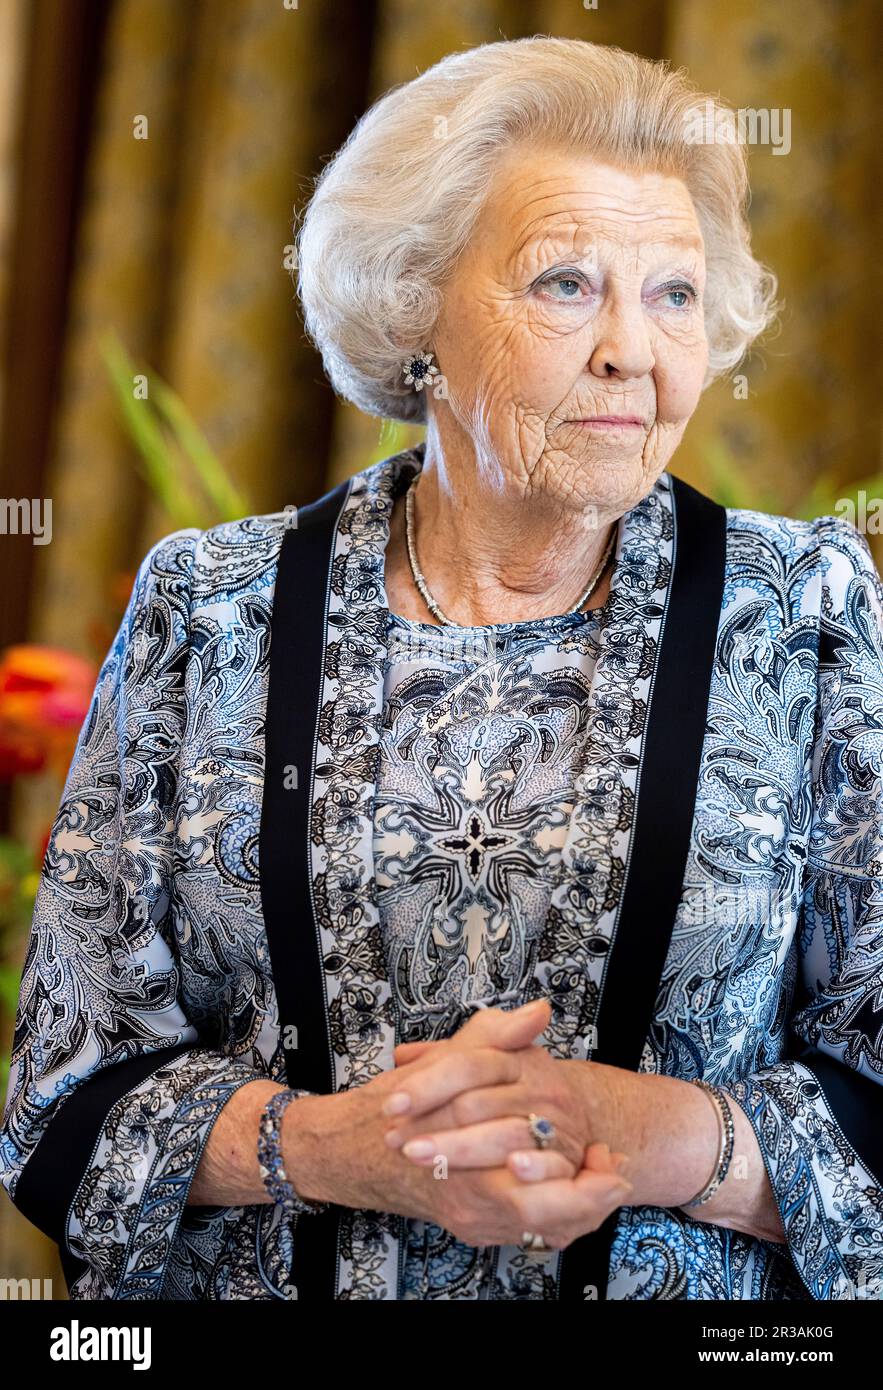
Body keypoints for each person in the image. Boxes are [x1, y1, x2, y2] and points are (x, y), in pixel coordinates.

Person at [2, 35, 881, 1302]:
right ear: (415, 308)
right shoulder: (211, 607)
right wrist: (345, 1151)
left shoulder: (802, 607)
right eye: (566, 283)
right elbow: (60, 1105)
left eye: (676, 294)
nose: (635, 351)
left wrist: (651, 1135)